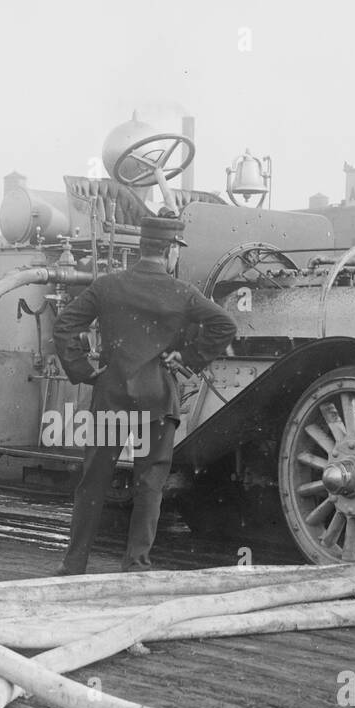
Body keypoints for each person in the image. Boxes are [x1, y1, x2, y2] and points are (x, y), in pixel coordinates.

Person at [52, 213, 236, 574]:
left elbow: (64, 325)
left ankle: (73, 564)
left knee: (93, 481)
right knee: (150, 482)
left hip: (111, 398)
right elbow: (224, 325)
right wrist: (189, 357)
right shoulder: (182, 293)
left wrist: (83, 371)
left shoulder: (107, 286)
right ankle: (136, 564)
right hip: (156, 400)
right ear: (169, 251)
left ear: (141, 248)